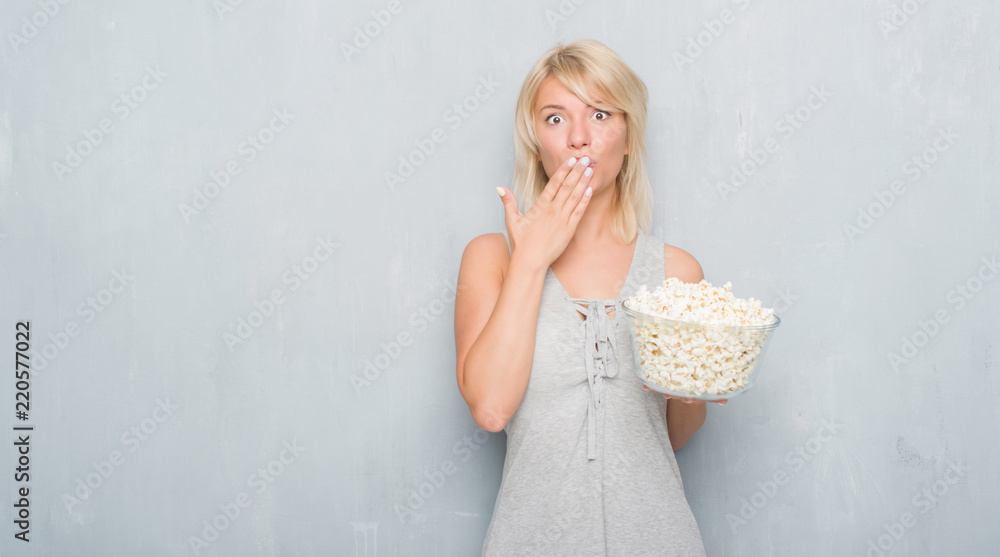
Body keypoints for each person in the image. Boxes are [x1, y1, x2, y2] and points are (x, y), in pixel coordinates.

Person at [454, 39, 722, 556]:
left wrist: (694, 387)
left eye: (600, 114)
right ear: (536, 143)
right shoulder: (492, 257)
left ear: (628, 139)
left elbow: (678, 435)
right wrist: (531, 259)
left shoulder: (676, 272)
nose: (579, 138)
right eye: (555, 119)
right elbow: (490, 409)